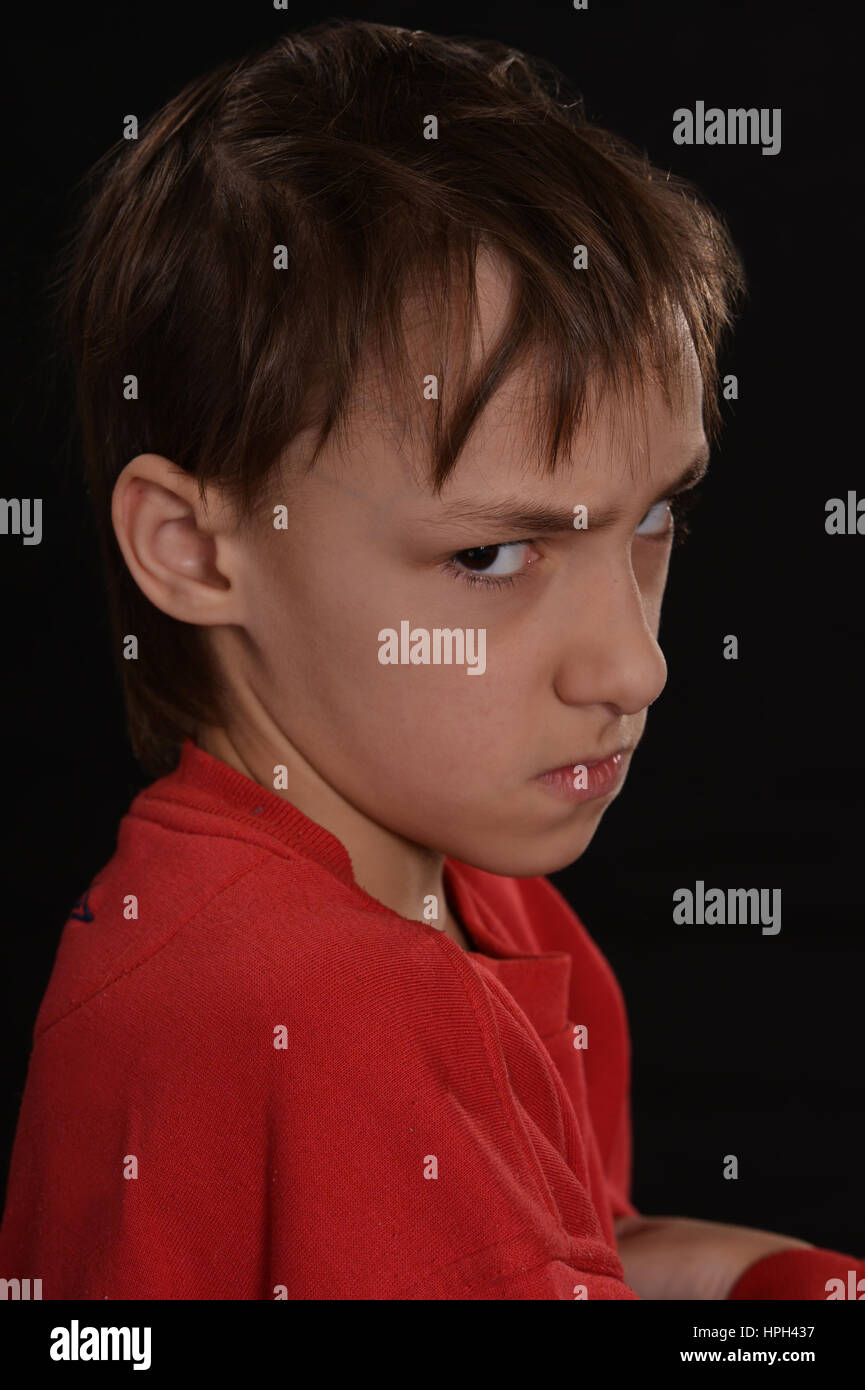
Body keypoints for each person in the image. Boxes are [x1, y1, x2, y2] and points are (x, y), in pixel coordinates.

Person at [1, 18, 860, 1299]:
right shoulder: (326, 1004)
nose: (634, 667)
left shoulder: (460, 888)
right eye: (491, 558)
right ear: (191, 548)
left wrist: (781, 1287)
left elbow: (568, 1253)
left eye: (653, 520)